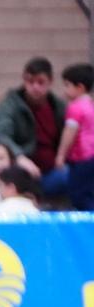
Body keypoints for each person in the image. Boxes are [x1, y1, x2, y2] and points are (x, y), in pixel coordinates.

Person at [0, 58, 69, 198]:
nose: (35, 87)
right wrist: (20, 157)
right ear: (24, 80)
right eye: (30, 81)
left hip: (53, 172)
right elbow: (0, 135)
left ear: (50, 82)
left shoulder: (59, 107)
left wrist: (63, 158)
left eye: (40, 82)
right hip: (21, 173)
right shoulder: (10, 104)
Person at [56, 63, 94, 211]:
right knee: (89, 191)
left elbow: (69, 133)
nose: (65, 90)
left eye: (67, 85)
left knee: (78, 193)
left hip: (81, 157)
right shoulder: (91, 106)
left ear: (79, 87)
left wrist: (61, 154)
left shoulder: (75, 107)